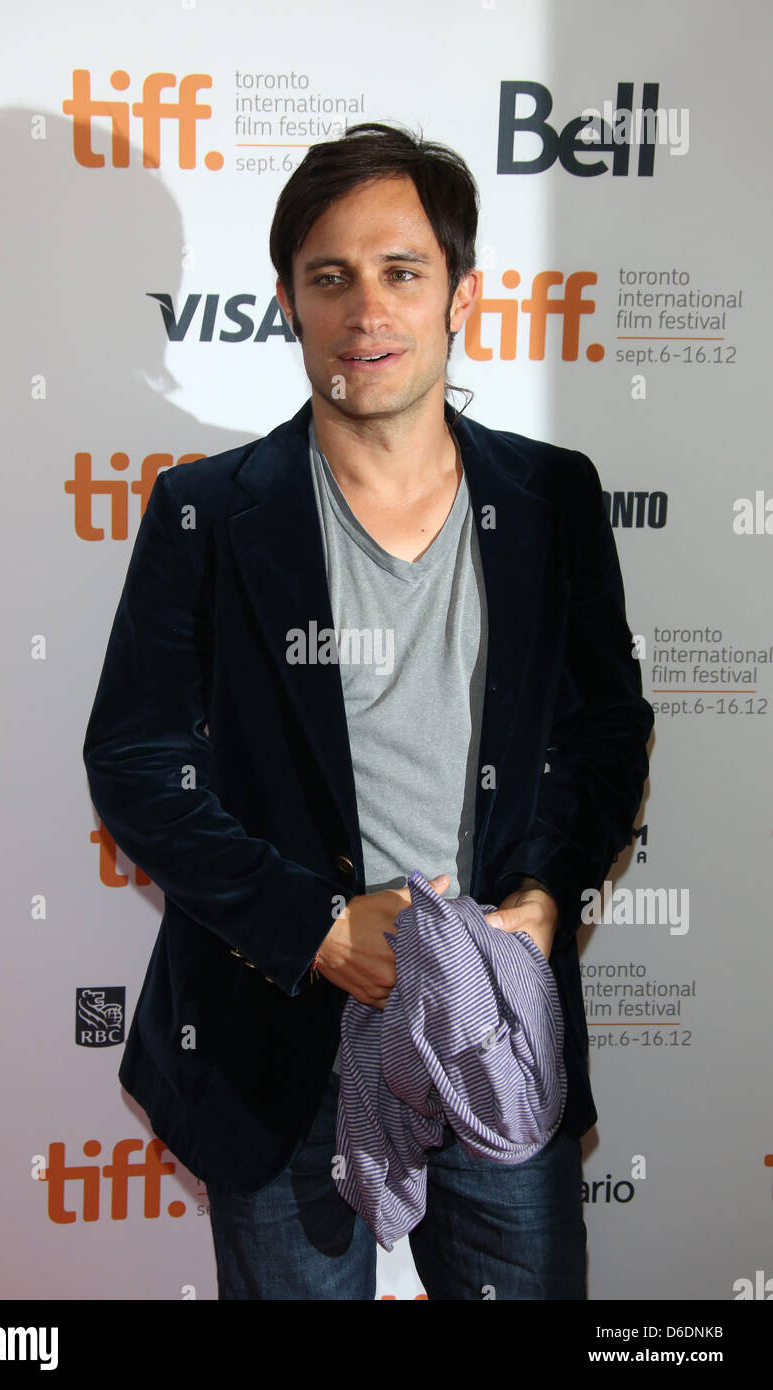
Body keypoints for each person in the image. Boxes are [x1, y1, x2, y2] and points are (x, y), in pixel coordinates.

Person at [83, 122, 654, 1300]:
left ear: (462, 295)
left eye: (401, 271)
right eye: (327, 277)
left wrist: (545, 902)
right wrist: (312, 928)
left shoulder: (550, 497)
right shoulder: (203, 511)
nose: (364, 310)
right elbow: (136, 760)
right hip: (275, 1031)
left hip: (492, 1016)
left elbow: (604, 730)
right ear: (286, 302)